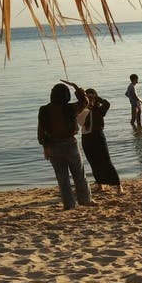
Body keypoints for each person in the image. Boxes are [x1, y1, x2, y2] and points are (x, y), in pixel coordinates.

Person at [37, 80, 94, 210]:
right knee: (79, 174)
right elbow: (85, 102)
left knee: (62, 178)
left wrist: (45, 147)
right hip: (70, 144)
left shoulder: (44, 110)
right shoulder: (70, 108)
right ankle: (85, 200)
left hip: (53, 146)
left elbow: (41, 132)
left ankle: (69, 205)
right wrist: (76, 87)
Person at [80, 88, 123, 194]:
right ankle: (100, 184)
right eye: (88, 96)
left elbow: (107, 104)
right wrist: (85, 101)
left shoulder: (99, 108)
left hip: (98, 136)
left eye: (92, 96)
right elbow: (79, 120)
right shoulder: (82, 108)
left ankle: (118, 185)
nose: (90, 98)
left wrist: (97, 99)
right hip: (86, 137)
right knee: (93, 162)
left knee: (106, 161)